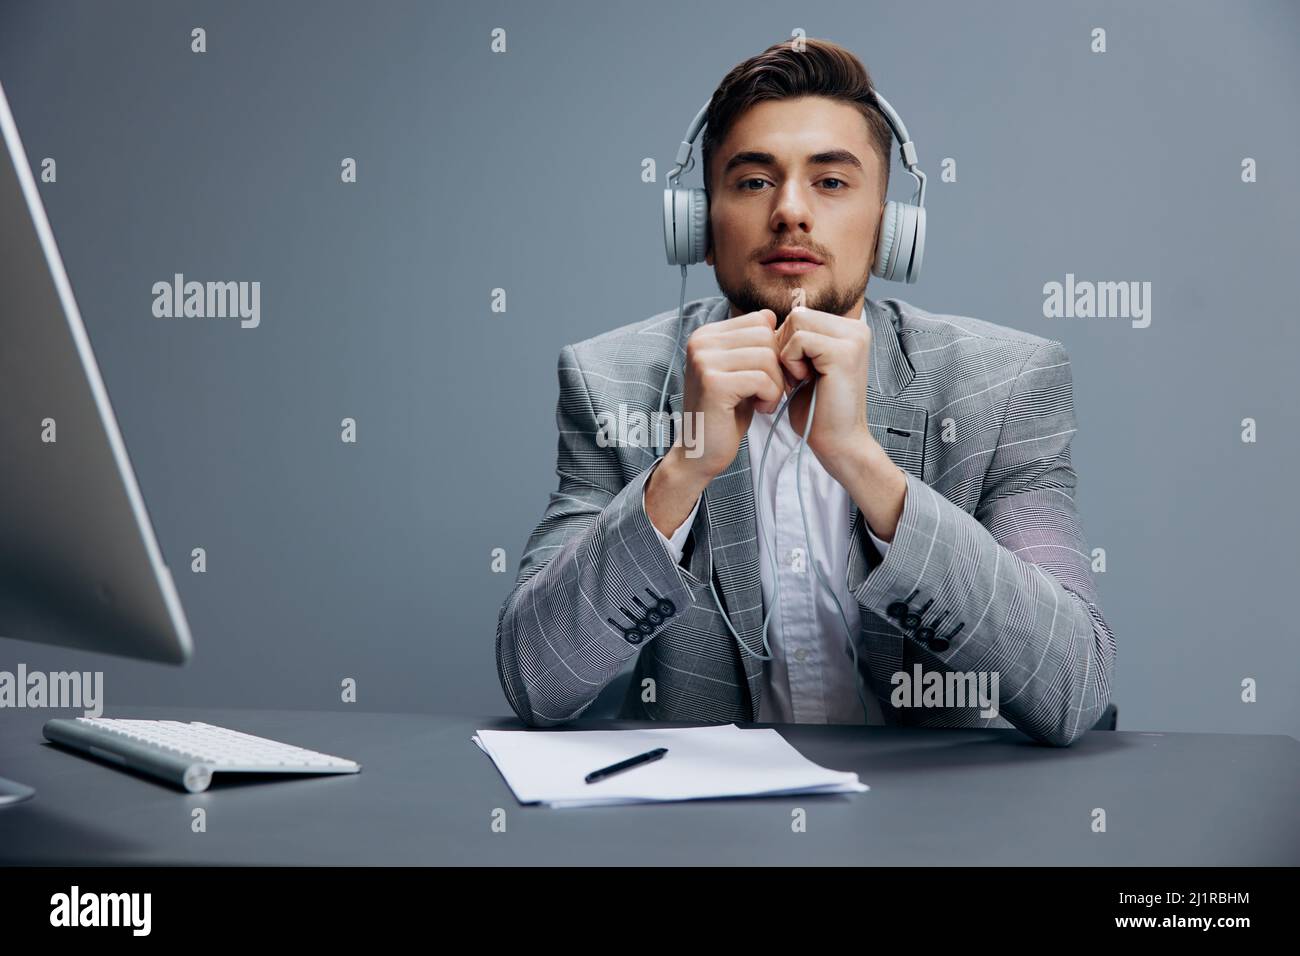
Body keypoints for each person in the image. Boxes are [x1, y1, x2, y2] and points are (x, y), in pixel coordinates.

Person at [495, 38, 1115, 746]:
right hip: (713, 810)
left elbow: (1073, 688)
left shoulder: (1004, 385)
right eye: (754, 182)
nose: (790, 211)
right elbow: (537, 682)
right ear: (699, 227)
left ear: (889, 229)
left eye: (832, 182)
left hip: (935, 808)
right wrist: (683, 469)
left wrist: (864, 465)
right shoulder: (611, 383)